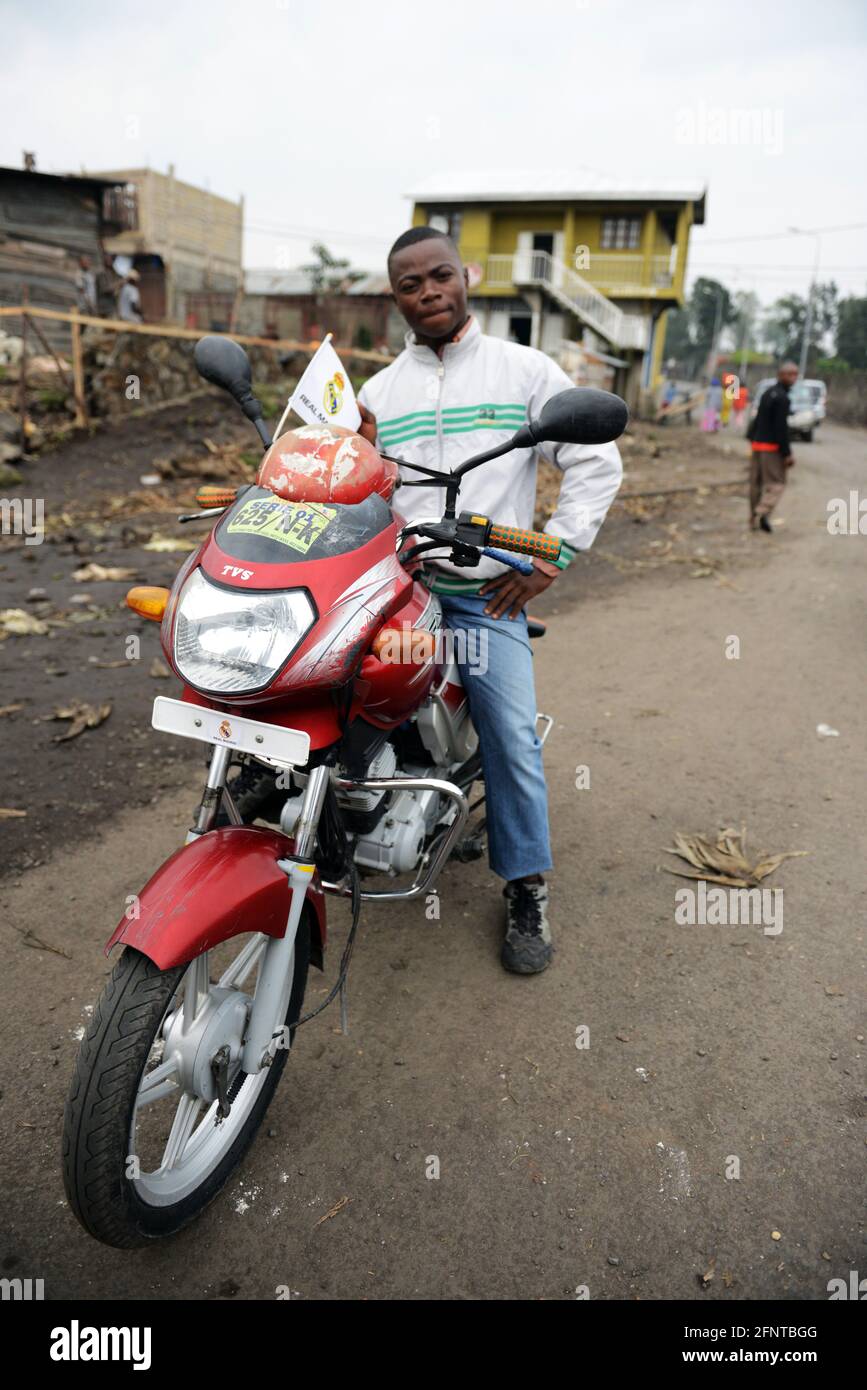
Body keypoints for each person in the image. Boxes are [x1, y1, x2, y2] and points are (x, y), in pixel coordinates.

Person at [357, 227, 623, 974]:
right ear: (395, 297)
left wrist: (553, 556)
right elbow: (354, 486)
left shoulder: (524, 370)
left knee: (509, 734)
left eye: (439, 276)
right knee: (338, 690)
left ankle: (526, 885)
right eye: (411, 285)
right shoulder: (377, 393)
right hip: (397, 593)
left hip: (482, 599)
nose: (428, 292)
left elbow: (595, 463)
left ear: (464, 277)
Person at [746, 361, 797, 532]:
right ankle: (761, 511)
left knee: (757, 483)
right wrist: (786, 453)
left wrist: (751, 439)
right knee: (777, 483)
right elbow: (780, 428)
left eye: (795, 374)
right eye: (790, 374)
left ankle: (755, 518)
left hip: (758, 445)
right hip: (771, 449)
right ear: (781, 375)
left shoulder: (767, 393)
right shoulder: (782, 398)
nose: (794, 378)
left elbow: (757, 420)